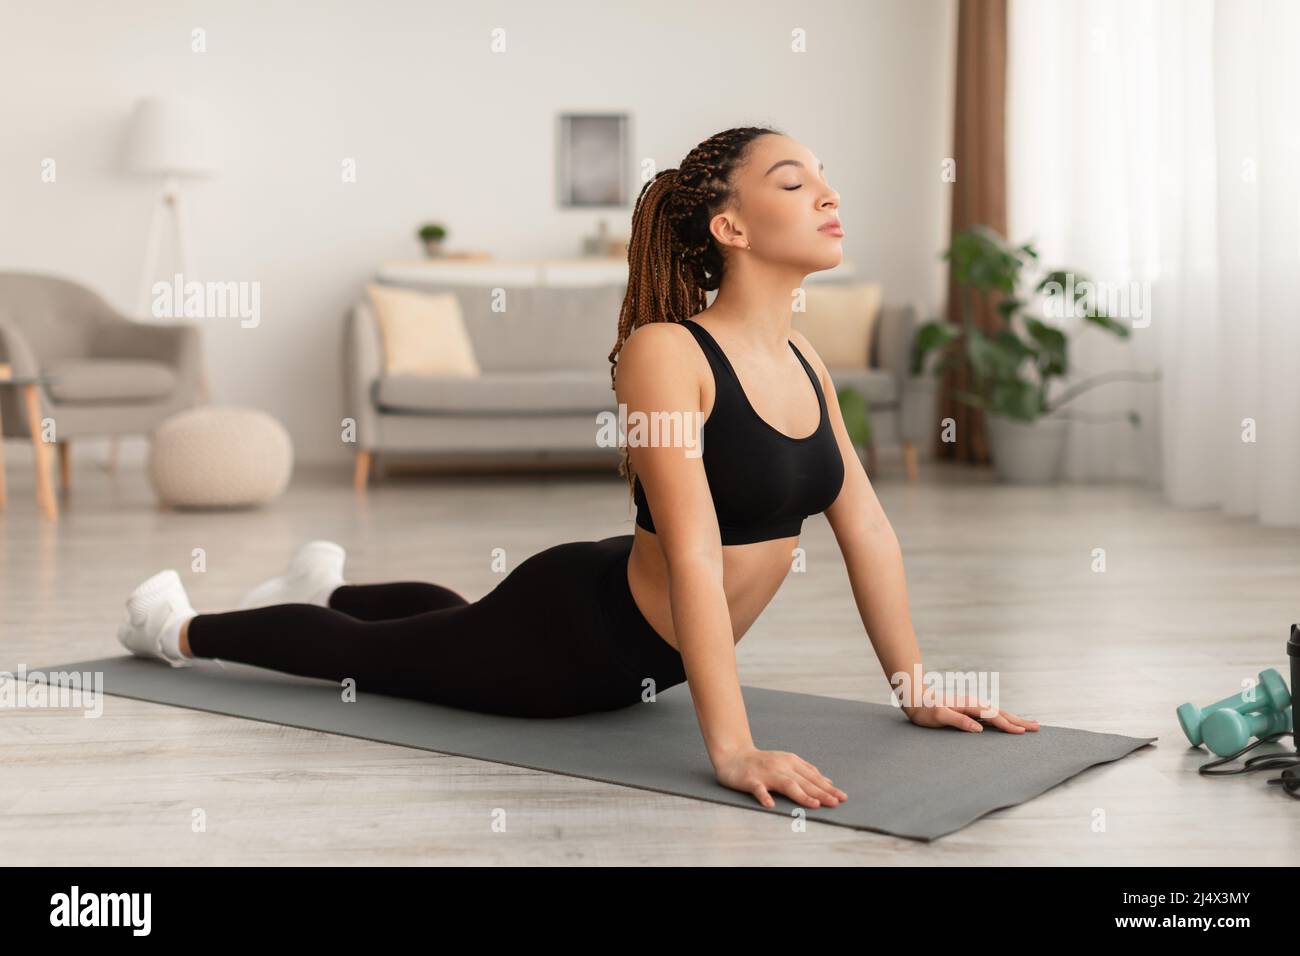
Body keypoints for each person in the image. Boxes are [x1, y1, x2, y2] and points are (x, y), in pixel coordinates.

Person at [117, 126, 1038, 812]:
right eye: (795, 183)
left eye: (827, 180)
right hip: (574, 644)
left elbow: (868, 528)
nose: (829, 196)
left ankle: (330, 587)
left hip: (618, 616)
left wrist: (914, 690)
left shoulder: (808, 364)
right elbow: (693, 552)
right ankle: (176, 627)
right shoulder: (666, 352)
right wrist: (733, 749)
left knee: (451, 628)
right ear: (731, 225)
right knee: (380, 663)